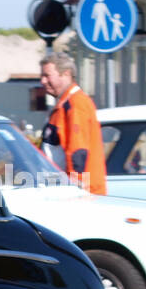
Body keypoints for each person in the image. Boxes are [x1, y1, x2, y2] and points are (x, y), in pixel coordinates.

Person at [39, 54, 107, 194]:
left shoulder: (76, 104)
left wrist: (76, 191)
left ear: (66, 74)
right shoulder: (65, 103)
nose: (43, 81)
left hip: (81, 195)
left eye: (47, 75)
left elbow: (78, 153)